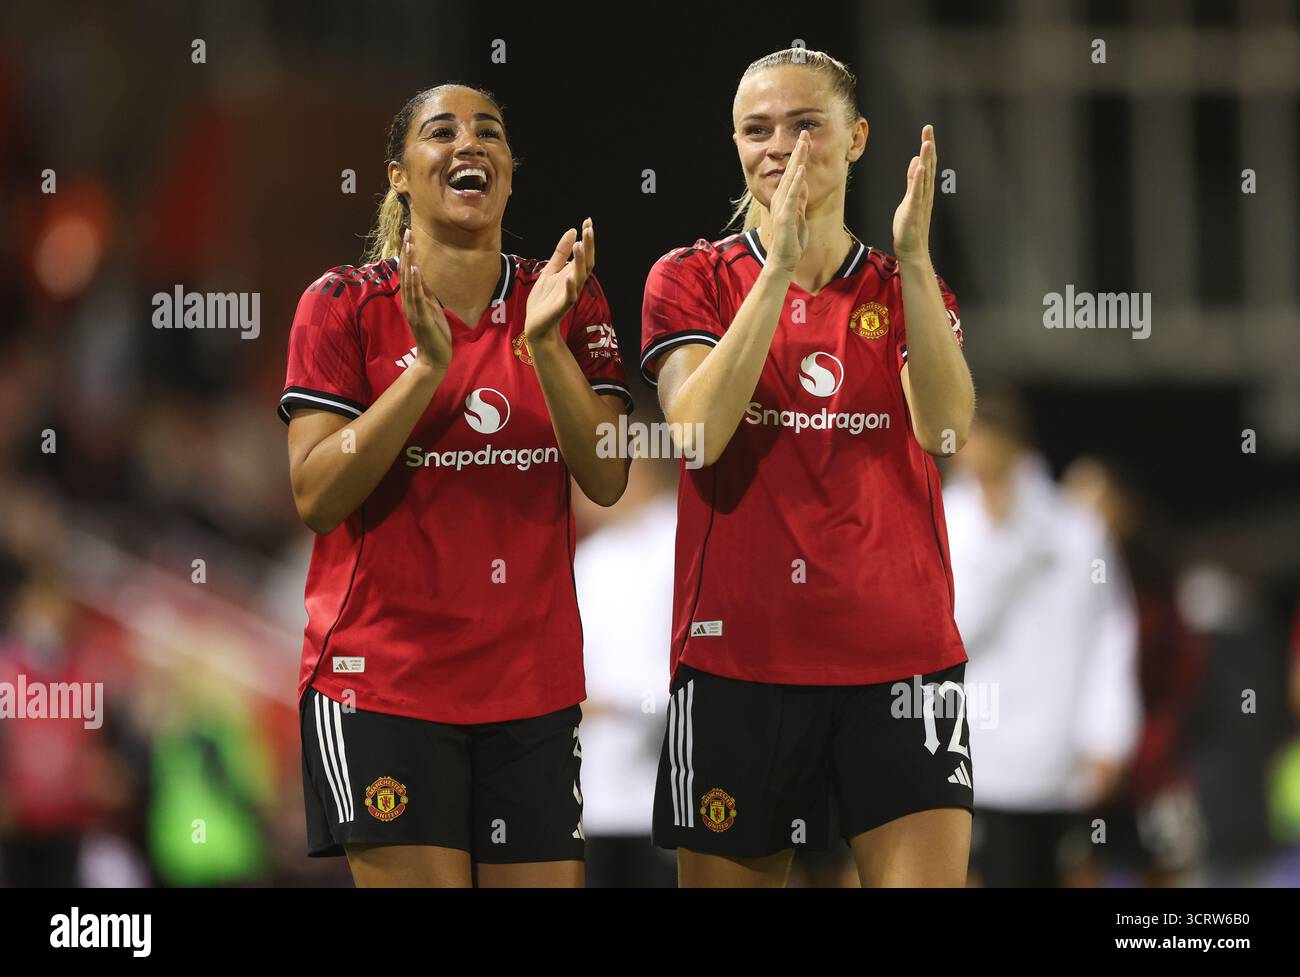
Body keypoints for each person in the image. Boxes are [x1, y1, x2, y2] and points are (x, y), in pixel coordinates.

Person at [280, 83, 632, 887]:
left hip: (532, 690)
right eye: (442, 132)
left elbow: (608, 474)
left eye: (489, 133)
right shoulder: (341, 304)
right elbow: (316, 496)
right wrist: (425, 373)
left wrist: (547, 345)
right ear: (399, 175)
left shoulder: (564, 298)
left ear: (509, 168)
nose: (469, 143)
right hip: (382, 688)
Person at [640, 48, 975, 887]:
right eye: (757, 130)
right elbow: (697, 435)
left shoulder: (904, 287)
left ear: (857, 138)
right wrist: (778, 269)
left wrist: (917, 260)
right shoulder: (689, 278)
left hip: (902, 660)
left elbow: (945, 428)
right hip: (739, 664)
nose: (780, 146)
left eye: (806, 124)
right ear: (735, 146)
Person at [943, 393, 1141, 887]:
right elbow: (947, 633)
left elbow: (1110, 635)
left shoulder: (1077, 530)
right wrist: (1006, 548)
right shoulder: (942, 522)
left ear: (1016, 446)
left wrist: (1109, 732)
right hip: (969, 757)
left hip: (1060, 760)